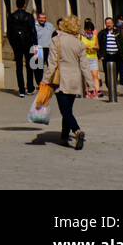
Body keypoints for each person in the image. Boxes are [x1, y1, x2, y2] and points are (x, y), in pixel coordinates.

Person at [42, 16, 92, 149]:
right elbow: (85, 65)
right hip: (75, 80)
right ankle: (64, 137)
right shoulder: (79, 43)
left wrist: (45, 80)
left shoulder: (56, 40)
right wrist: (90, 83)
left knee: (65, 111)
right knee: (68, 109)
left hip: (61, 80)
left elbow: (52, 64)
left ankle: (77, 131)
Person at [6, 0, 38, 96]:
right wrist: (35, 44)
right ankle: (30, 88)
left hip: (17, 45)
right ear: (24, 5)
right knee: (29, 66)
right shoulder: (29, 16)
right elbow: (33, 31)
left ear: (16, 5)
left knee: (19, 67)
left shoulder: (11, 16)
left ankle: (21, 90)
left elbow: (9, 33)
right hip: (28, 44)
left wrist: (13, 45)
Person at [97, 17, 122, 96]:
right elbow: (98, 45)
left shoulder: (118, 32)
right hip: (106, 55)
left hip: (116, 55)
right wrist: (100, 55)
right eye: (107, 23)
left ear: (113, 23)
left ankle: (113, 88)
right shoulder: (102, 33)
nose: (108, 24)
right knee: (107, 73)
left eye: (110, 23)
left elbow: (122, 43)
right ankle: (110, 87)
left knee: (116, 72)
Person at [80, 19, 101, 99]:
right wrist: (85, 47)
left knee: (95, 75)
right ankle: (87, 91)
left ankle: (97, 91)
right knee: (86, 76)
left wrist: (94, 48)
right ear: (85, 30)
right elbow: (79, 47)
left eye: (91, 30)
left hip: (93, 58)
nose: (89, 31)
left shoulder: (95, 37)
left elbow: (98, 46)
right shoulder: (81, 37)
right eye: (88, 30)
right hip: (85, 58)